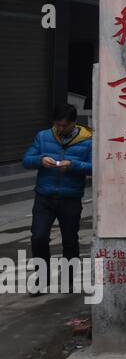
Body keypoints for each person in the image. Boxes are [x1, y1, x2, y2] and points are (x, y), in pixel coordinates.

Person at [21, 104, 93, 290]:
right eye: (57, 125)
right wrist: (40, 160)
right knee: (39, 237)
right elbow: (26, 160)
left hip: (70, 197)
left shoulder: (88, 141)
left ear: (74, 123)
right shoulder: (43, 136)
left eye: (64, 126)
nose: (60, 129)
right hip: (44, 196)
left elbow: (94, 167)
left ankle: (70, 279)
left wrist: (73, 165)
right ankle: (41, 278)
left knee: (69, 240)